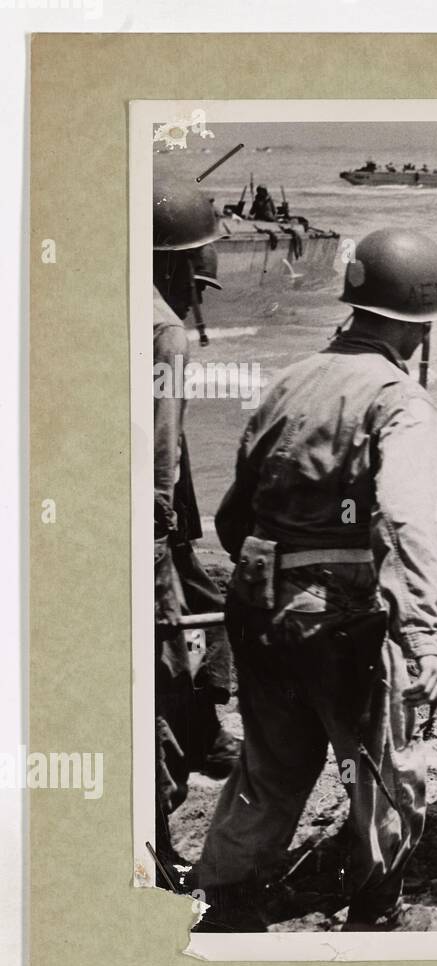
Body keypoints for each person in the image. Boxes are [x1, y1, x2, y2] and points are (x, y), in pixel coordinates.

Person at [192, 228, 437, 932]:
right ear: (421, 321)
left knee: (270, 767)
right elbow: (402, 524)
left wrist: (276, 573)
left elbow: (231, 517)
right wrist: (426, 640)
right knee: (381, 768)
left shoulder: (288, 380)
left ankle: (224, 901)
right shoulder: (400, 400)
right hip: (337, 620)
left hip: (254, 604)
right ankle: (375, 909)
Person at [152, 171, 239, 873]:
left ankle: (205, 730)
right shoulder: (164, 332)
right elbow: (161, 438)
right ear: (180, 264)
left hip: (153, 523)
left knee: (210, 609)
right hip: (147, 522)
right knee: (161, 664)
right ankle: (153, 837)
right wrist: (156, 527)